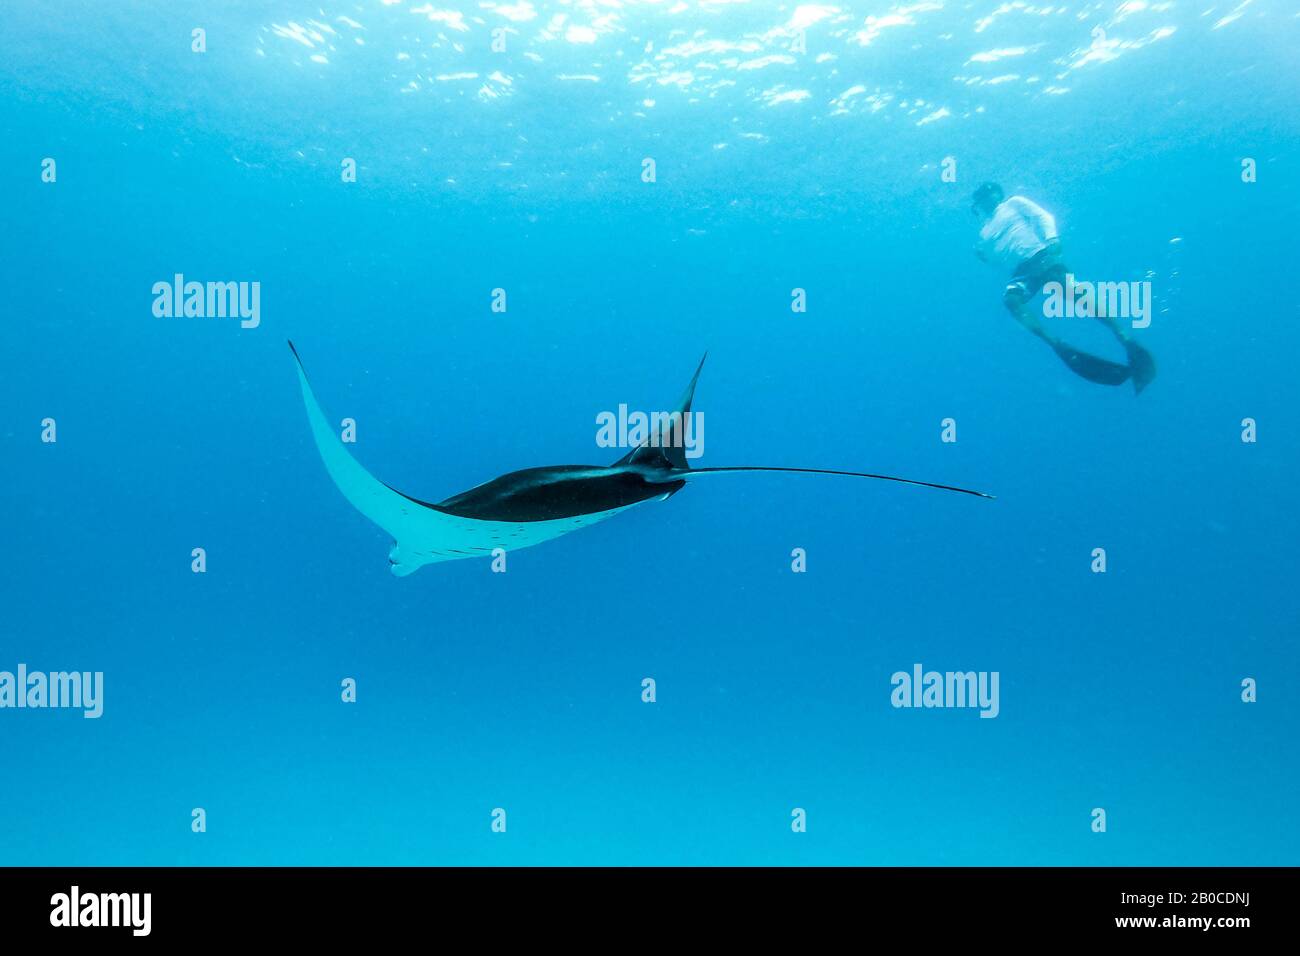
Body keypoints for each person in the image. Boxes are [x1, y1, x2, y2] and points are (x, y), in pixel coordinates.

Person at [971, 182, 1156, 393]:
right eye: (982, 198)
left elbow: (1043, 216)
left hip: (1040, 257)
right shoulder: (984, 233)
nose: (986, 199)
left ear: (996, 194)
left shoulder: (1013, 203)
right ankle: (1054, 342)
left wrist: (1052, 238)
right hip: (1020, 272)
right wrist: (983, 256)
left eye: (989, 194)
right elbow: (997, 259)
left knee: (1073, 292)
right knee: (1011, 301)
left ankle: (1120, 333)